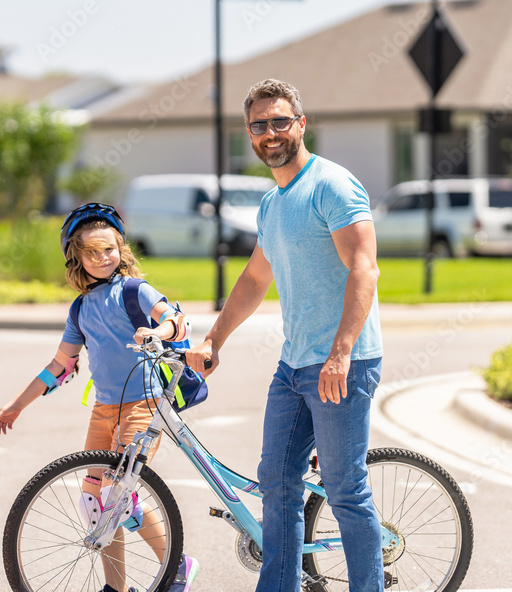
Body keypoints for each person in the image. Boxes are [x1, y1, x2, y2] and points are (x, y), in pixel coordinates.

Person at [187, 79, 384, 592]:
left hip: (344, 363)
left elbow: (364, 269)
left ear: (300, 124)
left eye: (279, 122)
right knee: (276, 485)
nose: (270, 133)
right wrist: (214, 340)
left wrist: (340, 354)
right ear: (249, 133)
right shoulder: (273, 204)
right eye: (259, 125)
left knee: (344, 490)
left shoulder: (333, 185)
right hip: (295, 364)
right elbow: (255, 279)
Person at [0, 203, 198, 592]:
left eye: (109, 249)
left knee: (117, 493)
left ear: (121, 249)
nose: (103, 257)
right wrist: (17, 404)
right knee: (95, 503)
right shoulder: (81, 308)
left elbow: (176, 319)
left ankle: (178, 565)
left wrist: (159, 331)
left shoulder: (134, 290)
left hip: (144, 403)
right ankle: (115, 588)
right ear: (76, 257)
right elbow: (60, 365)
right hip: (105, 409)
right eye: (92, 251)